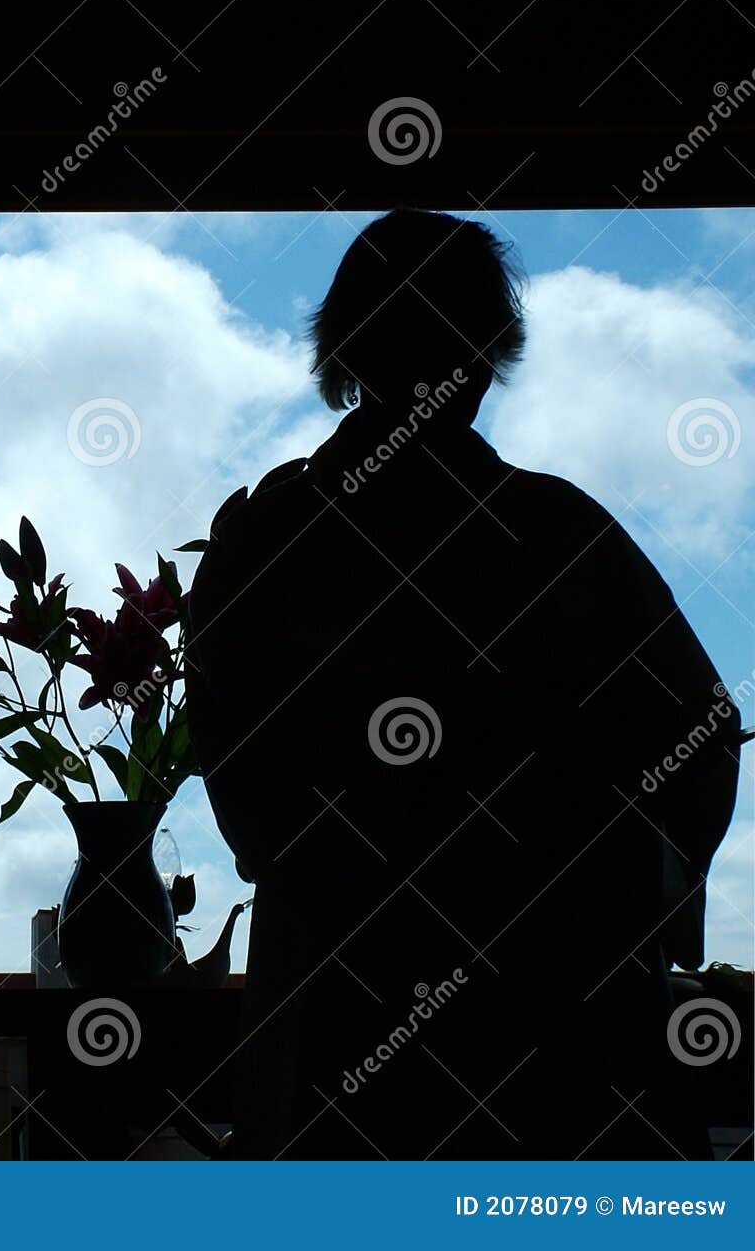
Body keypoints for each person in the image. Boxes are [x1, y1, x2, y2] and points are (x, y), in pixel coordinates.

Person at [186, 209, 739, 1159]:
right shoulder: (561, 535)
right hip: (556, 1039)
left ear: (345, 351)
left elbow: (240, 780)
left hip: (331, 1028)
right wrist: (622, 913)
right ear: (488, 357)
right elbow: (700, 736)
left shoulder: (266, 540)